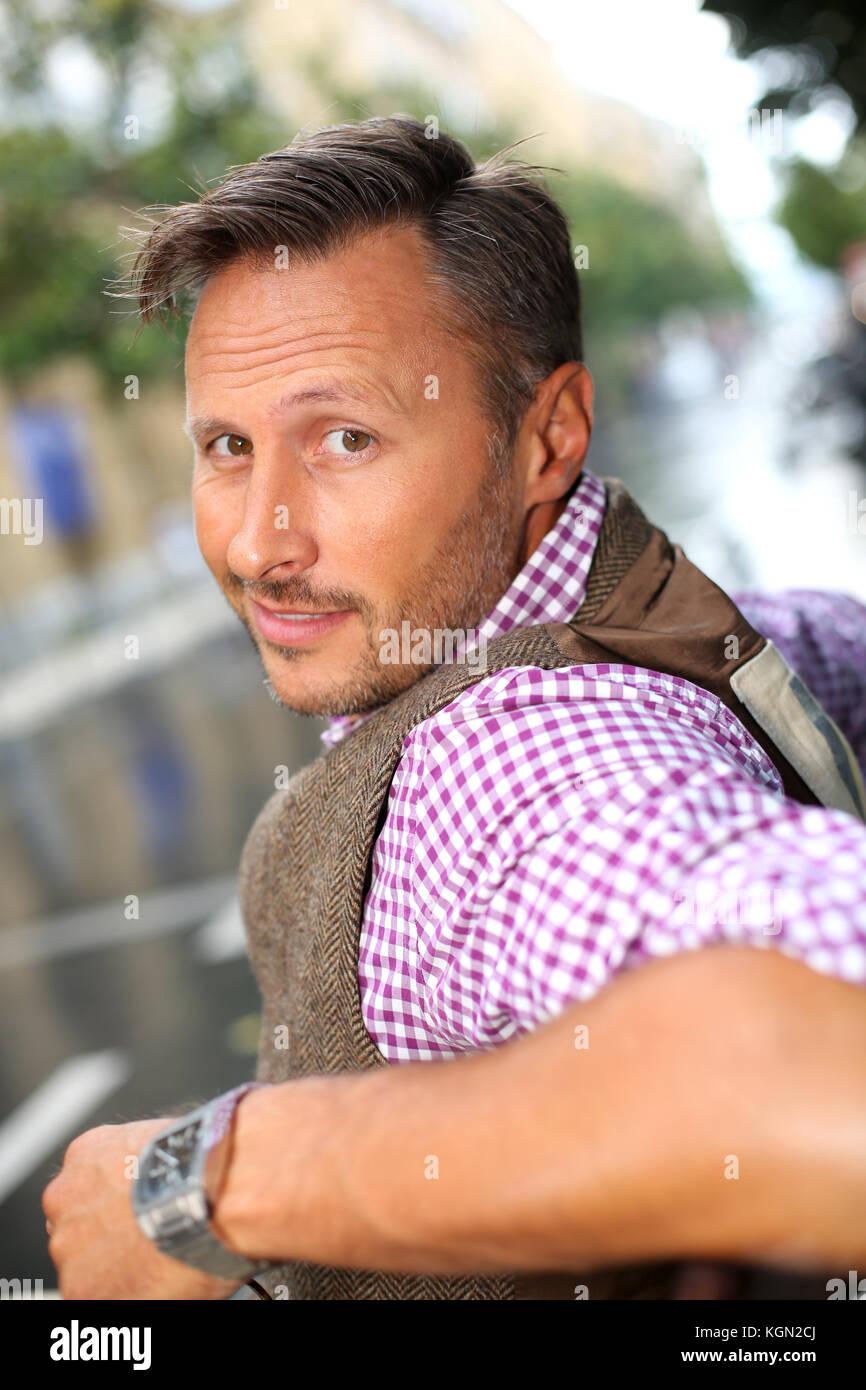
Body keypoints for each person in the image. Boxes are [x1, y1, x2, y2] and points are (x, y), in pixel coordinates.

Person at [43, 115, 866, 1301]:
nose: (259, 540)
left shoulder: (506, 769)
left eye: (343, 437)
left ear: (547, 437)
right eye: (227, 444)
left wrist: (206, 1183)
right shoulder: (724, 628)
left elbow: (814, 1055)